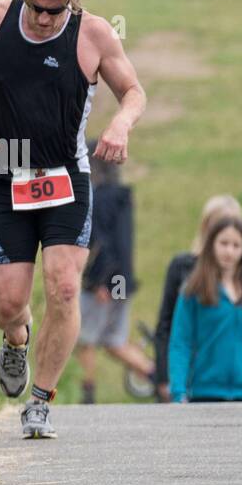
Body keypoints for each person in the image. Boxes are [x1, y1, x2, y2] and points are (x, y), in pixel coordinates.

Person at [0, 0, 146, 438]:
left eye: (53, 11)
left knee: (63, 286)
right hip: (4, 176)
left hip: (65, 176)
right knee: (8, 301)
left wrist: (121, 123)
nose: (41, 18)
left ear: (71, 5)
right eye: (35, 6)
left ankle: (40, 401)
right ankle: (16, 337)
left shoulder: (95, 34)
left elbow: (134, 91)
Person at [168, 217, 242, 403]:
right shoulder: (194, 290)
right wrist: (178, 391)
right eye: (223, 243)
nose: (229, 251)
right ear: (211, 245)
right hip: (205, 394)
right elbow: (180, 342)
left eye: (236, 245)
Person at [76, 141, 154, 404]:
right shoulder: (122, 198)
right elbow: (121, 243)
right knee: (113, 340)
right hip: (122, 279)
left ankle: (88, 395)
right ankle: (158, 378)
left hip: (104, 280)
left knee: (85, 338)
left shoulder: (96, 200)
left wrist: (100, 281)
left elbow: (100, 243)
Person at [153, 194, 242, 401]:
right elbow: (165, 326)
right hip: (188, 372)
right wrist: (164, 378)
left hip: (233, 379)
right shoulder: (183, 267)